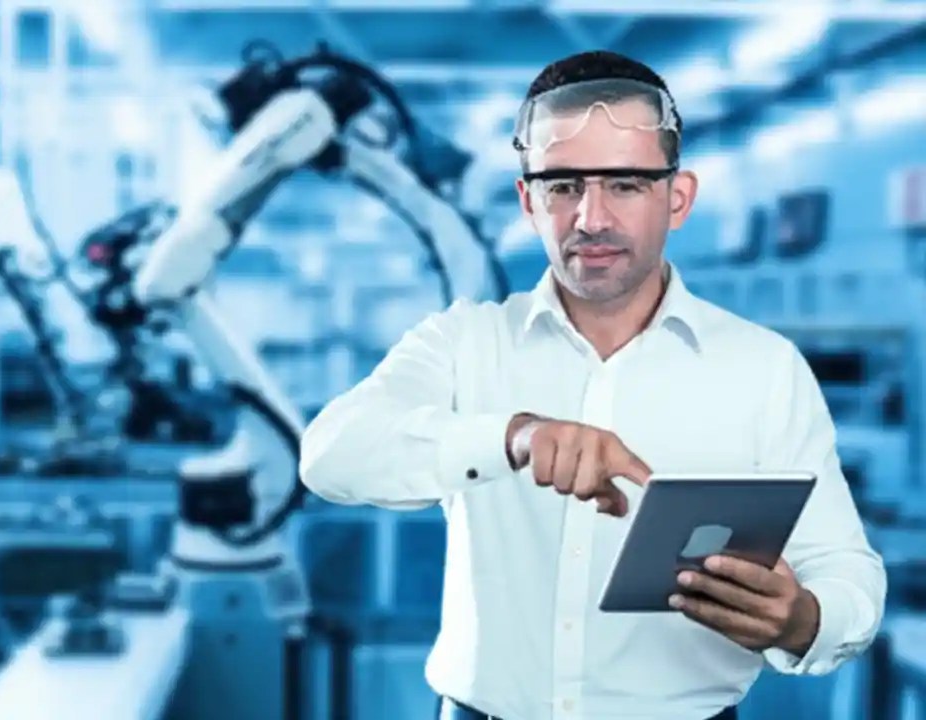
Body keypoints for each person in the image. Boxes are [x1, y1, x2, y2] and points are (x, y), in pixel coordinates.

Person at [298, 50, 886, 720]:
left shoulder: (763, 369)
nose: (591, 218)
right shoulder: (464, 343)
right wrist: (513, 436)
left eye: (627, 184)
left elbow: (848, 570)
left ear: (678, 197)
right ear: (529, 199)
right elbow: (330, 454)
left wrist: (802, 619)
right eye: (564, 185)